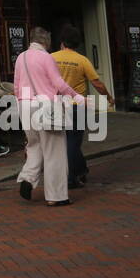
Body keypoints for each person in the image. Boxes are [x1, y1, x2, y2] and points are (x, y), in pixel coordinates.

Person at [13, 26, 81, 207]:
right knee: (54, 152)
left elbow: (16, 86)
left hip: (24, 105)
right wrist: (77, 96)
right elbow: (58, 83)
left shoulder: (21, 57)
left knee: (34, 145)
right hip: (45, 106)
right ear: (45, 41)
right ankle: (57, 196)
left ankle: (28, 178)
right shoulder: (46, 58)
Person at [51, 26, 112, 189]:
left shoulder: (51, 58)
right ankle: (72, 177)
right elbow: (97, 83)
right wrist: (109, 98)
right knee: (73, 142)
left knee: (63, 142)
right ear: (77, 43)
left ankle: (80, 170)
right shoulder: (82, 60)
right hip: (77, 106)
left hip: (56, 105)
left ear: (62, 42)